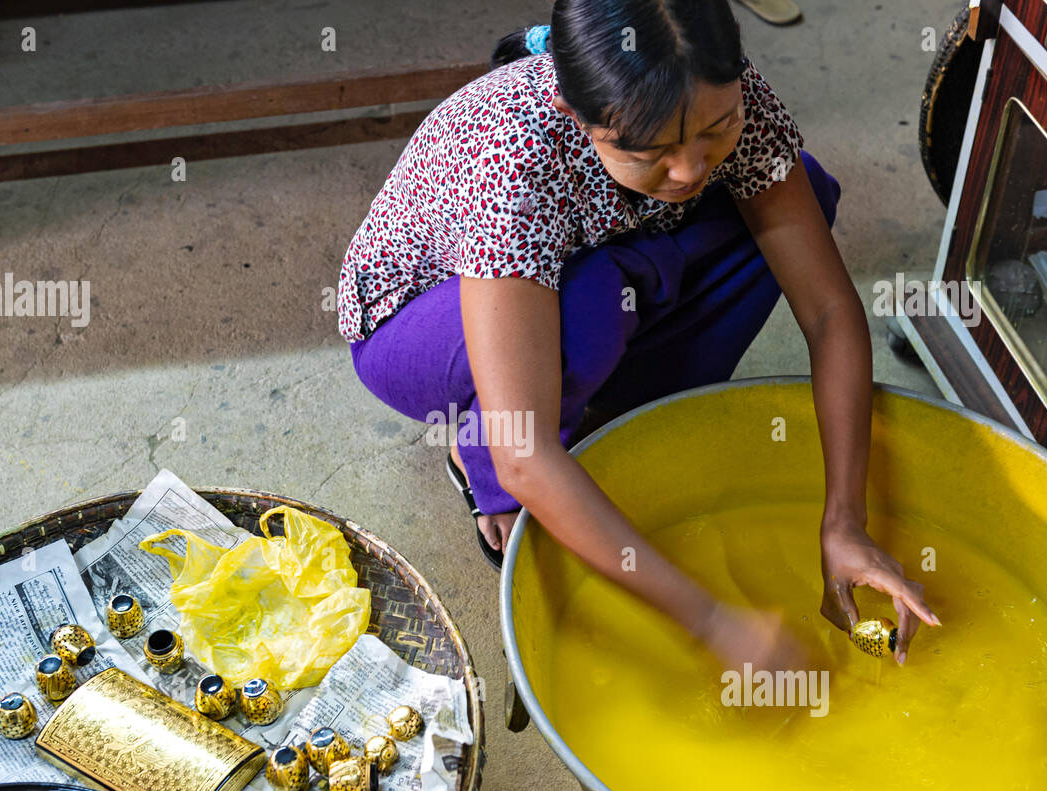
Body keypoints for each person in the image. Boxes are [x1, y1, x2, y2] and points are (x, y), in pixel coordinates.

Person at [337, 0, 939, 669]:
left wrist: (845, 522)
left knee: (802, 197)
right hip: (416, 324)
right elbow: (524, 450)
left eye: (716, 130)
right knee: (590, 304)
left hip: (597, 255)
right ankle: (475, 454)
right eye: (653, 151)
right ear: (576, 115)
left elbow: (828, 311)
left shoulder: (727, 95)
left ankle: (621, 395)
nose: (689, 169)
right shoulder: (514, 151)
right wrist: (714, 623)